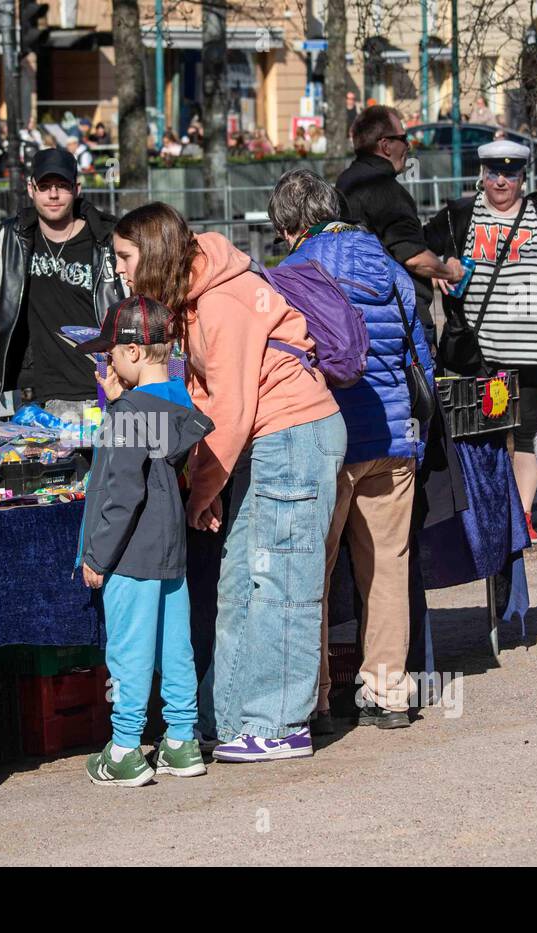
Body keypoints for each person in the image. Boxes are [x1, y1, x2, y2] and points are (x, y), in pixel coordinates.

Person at [111, 202, 346, 761]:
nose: (118, 269)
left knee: (280, 584)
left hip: (292, 437)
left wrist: (200, 489)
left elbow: (233, 409)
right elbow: (207, 402)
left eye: (124, 256)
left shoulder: (219, 302)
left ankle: (280, 724)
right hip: (269, 444)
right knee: (240, 584)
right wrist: (204, 482)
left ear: (155, 251)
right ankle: (236, 716)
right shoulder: (194, 299)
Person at [269, 169, 433, 731]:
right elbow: (421, 358)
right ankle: (388, 690)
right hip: (393, 438)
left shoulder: (292, 275)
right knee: (388, 567)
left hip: (325, 440)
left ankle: (312, 696)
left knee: (311, 570)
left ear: (291, 226)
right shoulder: (391, 268)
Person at [77, 295, 216, 786]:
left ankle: (125, 749)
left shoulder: (127, 414)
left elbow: (120, 492)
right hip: (169, 547)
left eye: (110, 353)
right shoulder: (175, 400)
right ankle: (182, 740)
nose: (107, 363)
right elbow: (154, 459)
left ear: (133, 353)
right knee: (175, 646)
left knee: (129, 652)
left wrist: (96, 555)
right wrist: (119, 401)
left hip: (129, 553)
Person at [423, 139, 537, 542]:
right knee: (482, 433)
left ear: (523, 176)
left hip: (533, 351)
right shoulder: (459, 216)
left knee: (529, 433)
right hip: (481, 351)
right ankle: (486, 515)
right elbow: (416, 247)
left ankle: (523, 515)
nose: (502, 181)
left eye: (511, 173)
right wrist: (439, 265)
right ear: (482, 174)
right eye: (494, 173)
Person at [0, 148, 124, 424]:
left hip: (106, 390)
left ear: (77, 188)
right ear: (31, 189)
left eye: (62, 186)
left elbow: (138, 301)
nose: (53, 195)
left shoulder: (107, 239)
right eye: (45, 187)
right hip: (40, 396)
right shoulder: (12, 237)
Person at [337, 105, 467, 328]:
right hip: (402, 321)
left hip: (358, 315)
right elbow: (414, 258)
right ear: (385, 145)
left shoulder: (346, 182)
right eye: (404, 138)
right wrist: (450, 272)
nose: (408, 146)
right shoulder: (385, 190)